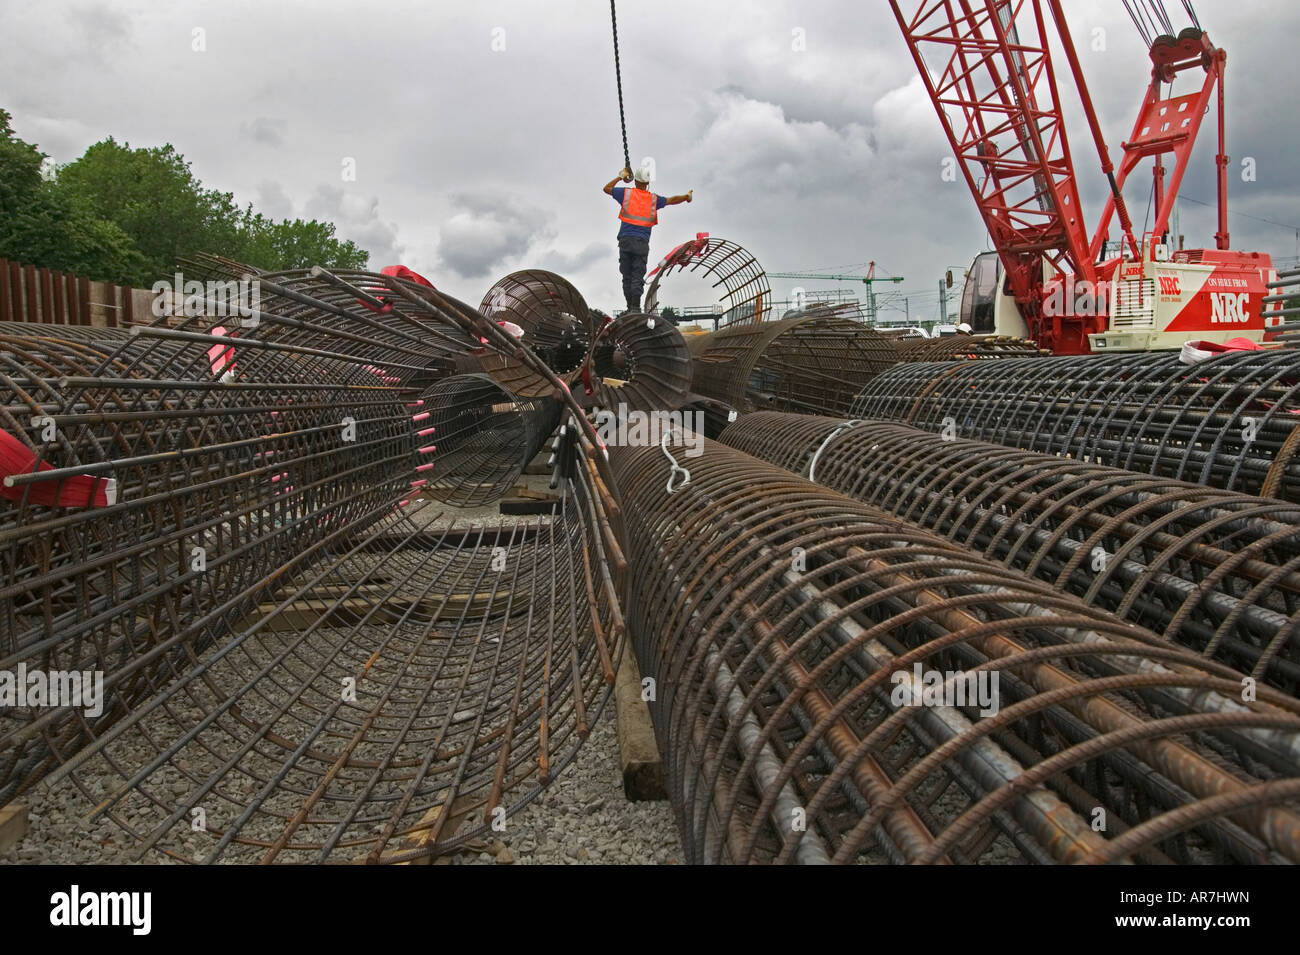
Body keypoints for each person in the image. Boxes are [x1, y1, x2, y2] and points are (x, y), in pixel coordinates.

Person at [602, 164, 692, 313]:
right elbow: (672, 200)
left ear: (635, 181)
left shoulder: (626, 194)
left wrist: (621, 175)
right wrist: (686, 197)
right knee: (637, 274)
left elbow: (606, 188)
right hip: (641, 243)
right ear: (647, 183)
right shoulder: (653, 199)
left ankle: (630, 307)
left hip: (625, 241)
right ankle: (635, 308)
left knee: (627, 276)